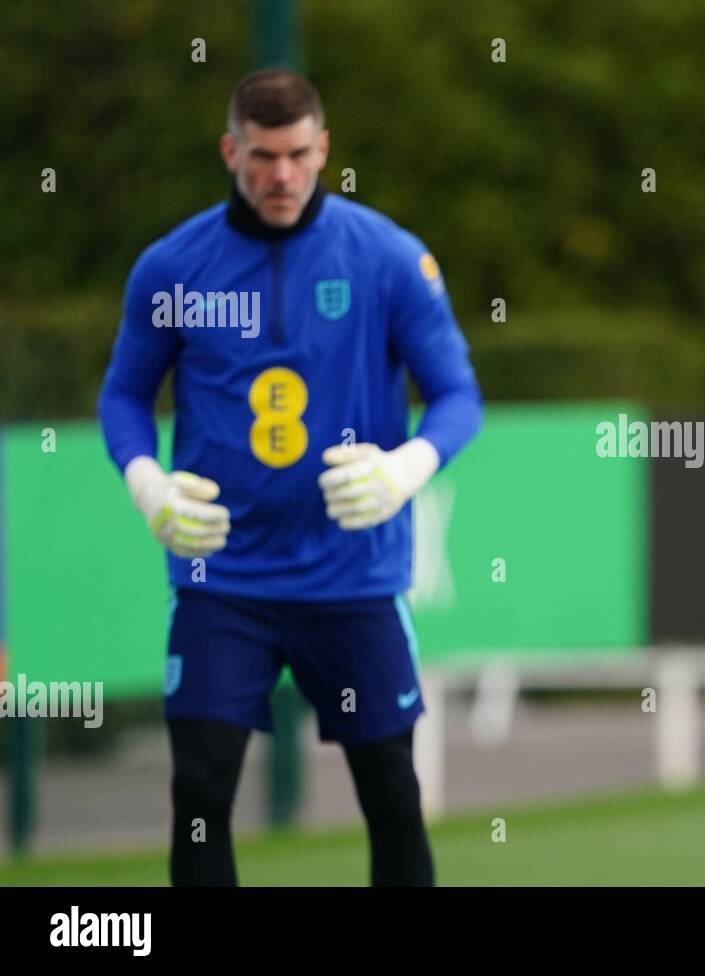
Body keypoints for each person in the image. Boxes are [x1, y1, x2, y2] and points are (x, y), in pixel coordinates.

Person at [98, 68, 482, 886]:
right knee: (199, 791)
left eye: (300, 154)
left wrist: (406, 466)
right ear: (230, 150)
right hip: (221, 576)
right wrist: (147, 484)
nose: (282, 175)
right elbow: (125, 395)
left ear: (325, 149)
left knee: (391, 791)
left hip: (353, 576)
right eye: (264, 155)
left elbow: (457, 397)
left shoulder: (388, 258)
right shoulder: (172, 268)